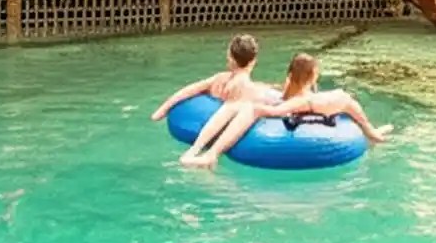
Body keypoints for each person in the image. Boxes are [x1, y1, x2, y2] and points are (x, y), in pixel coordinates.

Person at [179, 53, 393, 169]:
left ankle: (211, 155)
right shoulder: (332, 98)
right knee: (256, 107)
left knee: (253, 110)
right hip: (314, 103)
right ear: (313, 77)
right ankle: (210, 154)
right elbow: (355, 111)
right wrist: (371, 132)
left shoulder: (308, 99)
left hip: (306, 105)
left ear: (290, 74)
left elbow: (285, 103)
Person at [150, 34, 277, 163]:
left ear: (230, 57)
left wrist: (163, 109)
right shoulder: (248, 88)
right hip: (231, 116)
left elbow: (190, 90)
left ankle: (194, 150)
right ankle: (205, 153)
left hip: (215, 109)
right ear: (253, 61)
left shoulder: (220, 79)